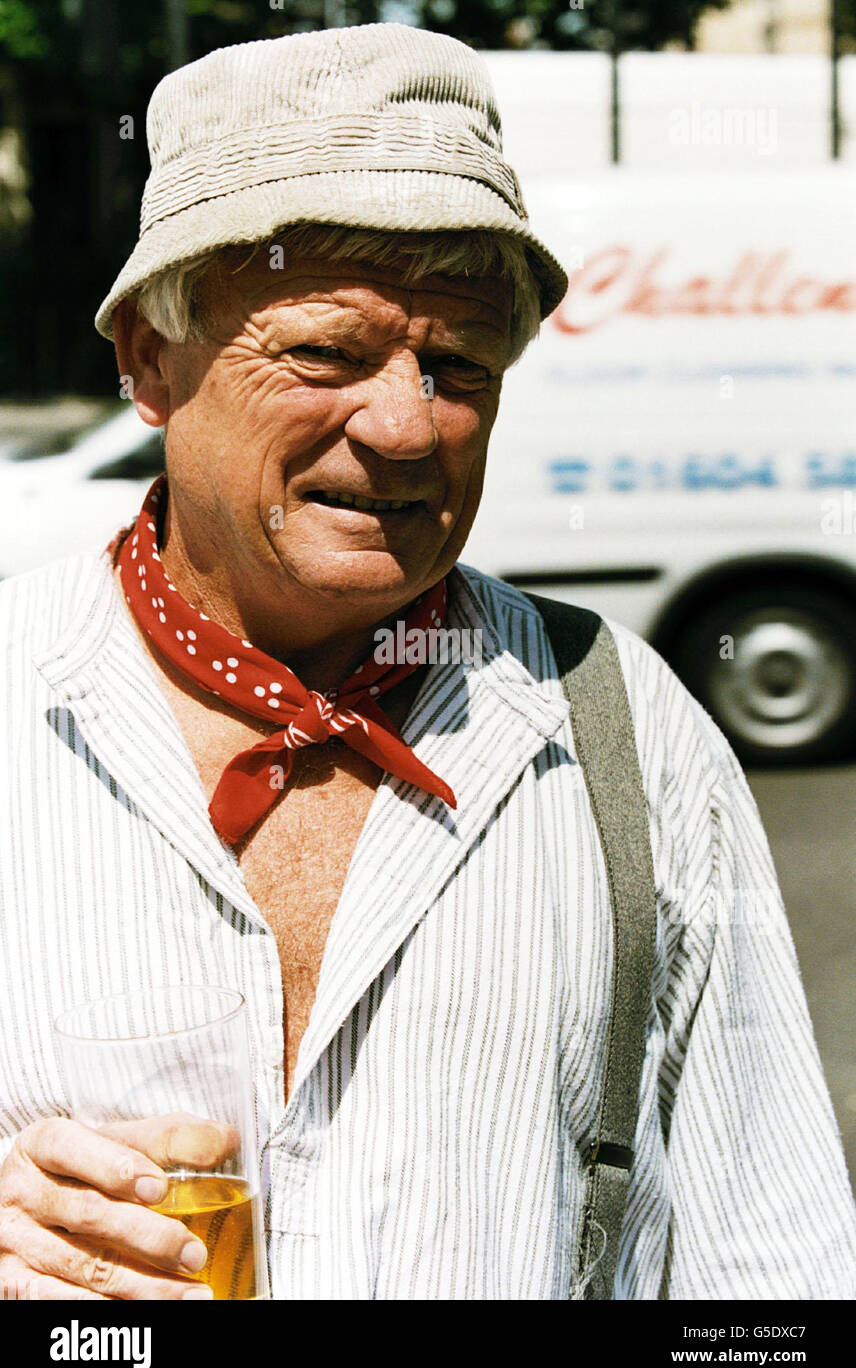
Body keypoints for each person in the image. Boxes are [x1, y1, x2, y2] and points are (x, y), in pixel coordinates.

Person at [0, 23, 854, 1302]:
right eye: (326, 352)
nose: (406, 426)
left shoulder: (628, 739)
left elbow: (777, 1281)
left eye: (458, 366)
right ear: (148, 360)